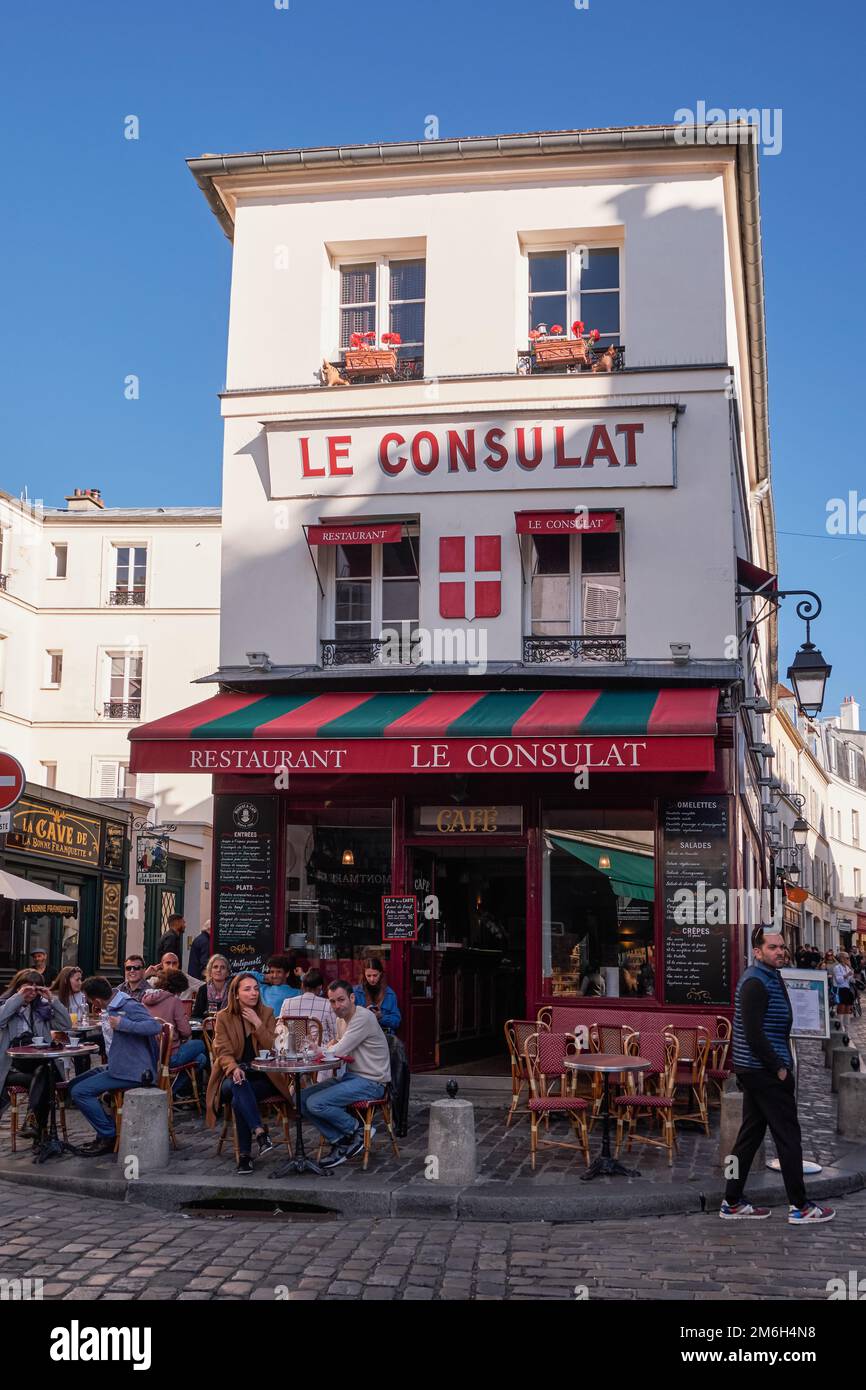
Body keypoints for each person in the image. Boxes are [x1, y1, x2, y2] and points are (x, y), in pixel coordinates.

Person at [720, 926, 835, 1224]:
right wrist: (779, 1068)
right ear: (758, 951)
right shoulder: (755, 982)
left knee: (748, 1137)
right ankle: (800, 1206)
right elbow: (754, 1034)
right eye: (773, 947)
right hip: (764, 1071)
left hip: (756, 1070)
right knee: (788, 1136)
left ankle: (731, 1200)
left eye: (782, 947)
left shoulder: (768, 976)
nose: (780, 951)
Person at [66, 976, 162, 1156]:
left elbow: (154, 1027)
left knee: (80, 1092)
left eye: (90, 1000)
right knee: (73, 1084)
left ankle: (108, 1135)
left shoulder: (128, 1005)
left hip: (133, 1071)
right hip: (118, 1065)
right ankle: (106, 1125)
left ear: (97, 1000)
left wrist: (123, 1024)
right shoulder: (113, 1004)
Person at [205, 973, 291, 1175]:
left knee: (239, 1099)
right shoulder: (224, 1017)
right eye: (247, 989)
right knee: (238, 1085)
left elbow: (274, 1047)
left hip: (264, 1077)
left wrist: (258, 1023)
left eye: (255, 988)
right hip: (231, 1076)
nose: (253, 993)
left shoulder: (267, 1013)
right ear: (235, 994)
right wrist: (234, 1068)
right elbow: (222, 1051)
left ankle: (245, 1156)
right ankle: (259, 1132)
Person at [300, 979, 391, 1169]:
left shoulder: (363, 1017)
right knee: (299, 1098)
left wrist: (319, 1050)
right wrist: (324, 1049)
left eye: (340, 1000)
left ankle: (357, 1131)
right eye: (332, 1001)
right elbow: (337, 1047)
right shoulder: (341, 1020)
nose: (336, 1006)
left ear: (352, 998)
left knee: (316, 1102)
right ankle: (340, 1140)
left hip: (372, 1081)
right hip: (353, 1077)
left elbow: (339, 1049)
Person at [0, 971, 72, 1137]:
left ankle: (33, 1123)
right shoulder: (6, 1006)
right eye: (27, 988)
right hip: (11, 1068)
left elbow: (65, 1024)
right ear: (18, 987)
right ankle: (41, 1135)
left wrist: (52, 1000)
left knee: (44, 1072)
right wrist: (19, 998)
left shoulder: (42, 1010)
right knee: (46, 1076)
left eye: (35, 988)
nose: (31, 992)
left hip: (36, 1064)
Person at [143, 968, 208, 1087]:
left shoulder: (145, 999)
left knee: (201, 1058)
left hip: (149, 1054)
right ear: (178, 988)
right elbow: (186, 1032)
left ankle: (167, 1090)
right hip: (169, 1056)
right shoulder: (174, 1002)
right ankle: (171, 1093)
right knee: (201, 1044)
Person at [278, 968, 338, 1046]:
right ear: (320, 987)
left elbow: (280, 1030)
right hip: (320, 1053)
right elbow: (334, 1034)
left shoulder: (287, 1003)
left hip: (293, 1051)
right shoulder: (328, 1004)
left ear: (302, 985)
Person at [353, 959, 401, 1032]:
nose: (372, 979)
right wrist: (364, 1014)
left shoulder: (389, 994)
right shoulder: (356, 992)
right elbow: (349, 1018)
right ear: (364, 974)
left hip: (384, 1035)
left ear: (380, 973)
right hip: (362, 1035)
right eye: (368, 976)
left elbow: (396, 1022)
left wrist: (381, 1017)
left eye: (375, 975)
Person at [192, 954, 231, 1019]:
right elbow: (196, 1016)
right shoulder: (203, 989)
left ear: (227, 972)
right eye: (215, 967)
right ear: (210, 971)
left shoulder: (233, 989)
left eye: (223, 967)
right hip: (207, 1027)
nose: (219, 970)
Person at [833, 951, 855, 1018]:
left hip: (847, 989)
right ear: (842, 959)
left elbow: (850, 979)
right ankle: (840, 1023)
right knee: (841, 1007)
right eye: (847, 958)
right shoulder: (837, 968)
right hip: (840, 989)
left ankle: (846, 1026)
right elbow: (839, 980)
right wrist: (847, 975)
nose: (849, 959)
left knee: (848, 1007)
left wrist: (852, 976)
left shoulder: (847, 968)